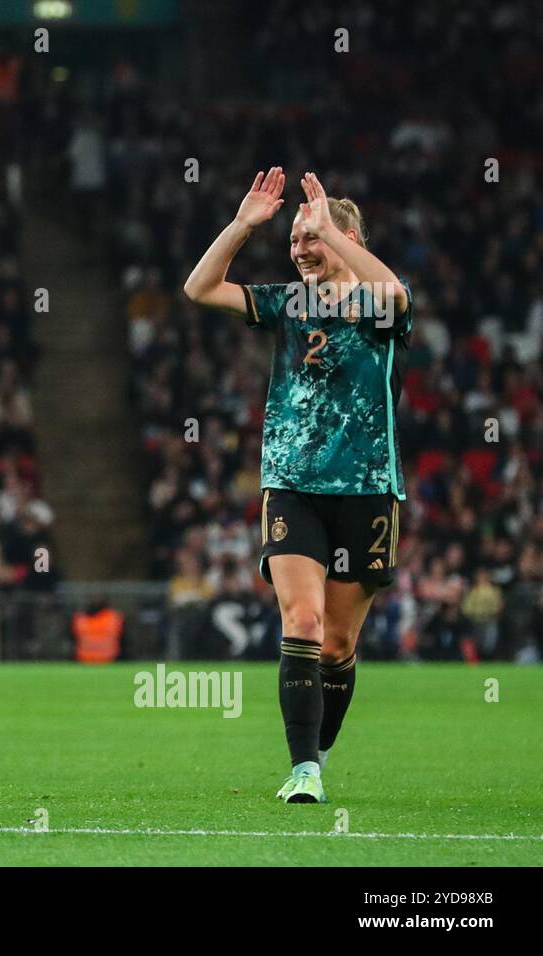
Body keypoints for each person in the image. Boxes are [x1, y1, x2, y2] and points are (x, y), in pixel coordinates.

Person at [184, 169, 412, 803]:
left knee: (339, 643)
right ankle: (303, 768)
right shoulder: (288, 302)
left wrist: (331, 235)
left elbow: (391, 291)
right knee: (303, 619)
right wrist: (243, 225)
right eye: (295, 242)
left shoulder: (378, 305)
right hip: (292, 484)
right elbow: (200, 288)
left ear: (349, 239)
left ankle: (319, 745)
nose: (303, 251)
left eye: (313, 240)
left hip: (368, 488)